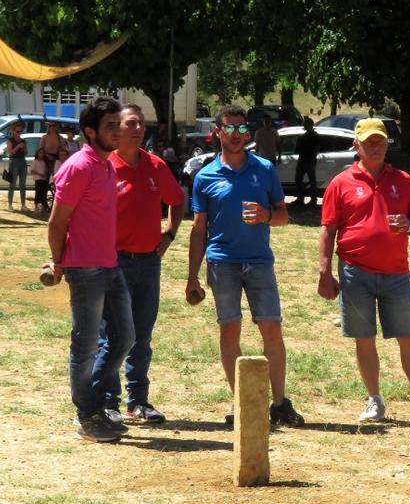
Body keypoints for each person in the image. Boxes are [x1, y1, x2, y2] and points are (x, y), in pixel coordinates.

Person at [316, 118, 410, 426]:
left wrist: (409, 224)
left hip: (396, 273)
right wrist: (324, 271)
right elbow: (328, 229)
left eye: (380, 141)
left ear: (388, 145)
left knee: (409, 337)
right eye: (369, 142)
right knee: (364, 339)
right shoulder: (341, 183)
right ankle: (374, 400)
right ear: (356, 146)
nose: (375, 147)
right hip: (354, 272)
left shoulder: (402, 180)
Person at [185, 105, 304, 428]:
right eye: (229, 128)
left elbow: (283, 216)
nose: (236, 134)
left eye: (241, 129)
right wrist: (192, 276)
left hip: (259, 262)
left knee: (271, 329)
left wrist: (266, 216)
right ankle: (242, 402)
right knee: (230, 330)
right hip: (222, 262)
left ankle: (279, 404)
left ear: (247, 134)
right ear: (218, 132)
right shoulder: (205, 176)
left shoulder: (264, 169)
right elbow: (198, 229)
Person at [45, 96, 135, 443]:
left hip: (110, 264)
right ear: (90, 131)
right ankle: (86, 414)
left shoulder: (106, 165)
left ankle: (94, 403)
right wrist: (57, 261)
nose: (118, 131)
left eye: (118, 124)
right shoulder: (79, 167)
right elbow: (57, 222)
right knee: (85, 345)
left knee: (125, 338)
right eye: (110, 126)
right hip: (84, 268)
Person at [103, 104, 185, 425]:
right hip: (114, 263)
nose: (138, 129)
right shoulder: (105, 166)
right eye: (131, 124)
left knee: (142, 335)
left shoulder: (155, 165)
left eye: (141, 124)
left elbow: (178, 201)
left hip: (149, 262)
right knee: (113, 335)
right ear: (116, 128)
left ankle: (138, 402)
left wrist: (170, 234)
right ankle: (107, 401)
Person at [292, 116, 319, 205]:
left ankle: (313, 200)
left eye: (305, 124)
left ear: (309, 125)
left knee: (311, 181)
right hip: (302, 160)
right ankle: (300, 198)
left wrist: (313, 161)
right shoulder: (303, 136)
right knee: (298, 179)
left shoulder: (314, 136)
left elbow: (316, 149)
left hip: (309, 161)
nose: (303, 125)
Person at [5, 122, 29, 210]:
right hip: (14, 162)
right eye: (17, 131)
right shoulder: (10, 141)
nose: (19, 133)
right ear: (13, 131)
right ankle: (10, 205)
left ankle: (23, 205)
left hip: (22, 161)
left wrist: (24, 148)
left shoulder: (23, 141)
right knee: (12, 184)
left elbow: (26, 153)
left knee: (23, 184)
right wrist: (18, 147)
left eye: (20, 131)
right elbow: (10, 152)